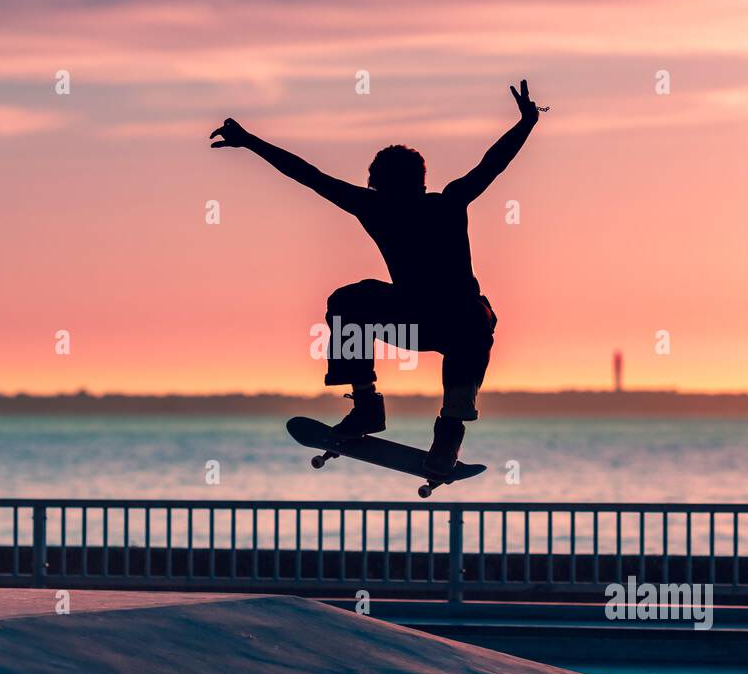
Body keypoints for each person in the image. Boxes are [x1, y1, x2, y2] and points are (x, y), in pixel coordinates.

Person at [210, 80, 541, 476]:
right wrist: (526, 123)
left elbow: (307, 175)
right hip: (447, 325)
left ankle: (396, 415)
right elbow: (493, 163)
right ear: (421, 180)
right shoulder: (447, 201)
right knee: (442, 313)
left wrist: (250, 141)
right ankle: (402, 418)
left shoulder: (375, 206)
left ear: (376, 183)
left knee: (356, 302)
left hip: (431, 324)